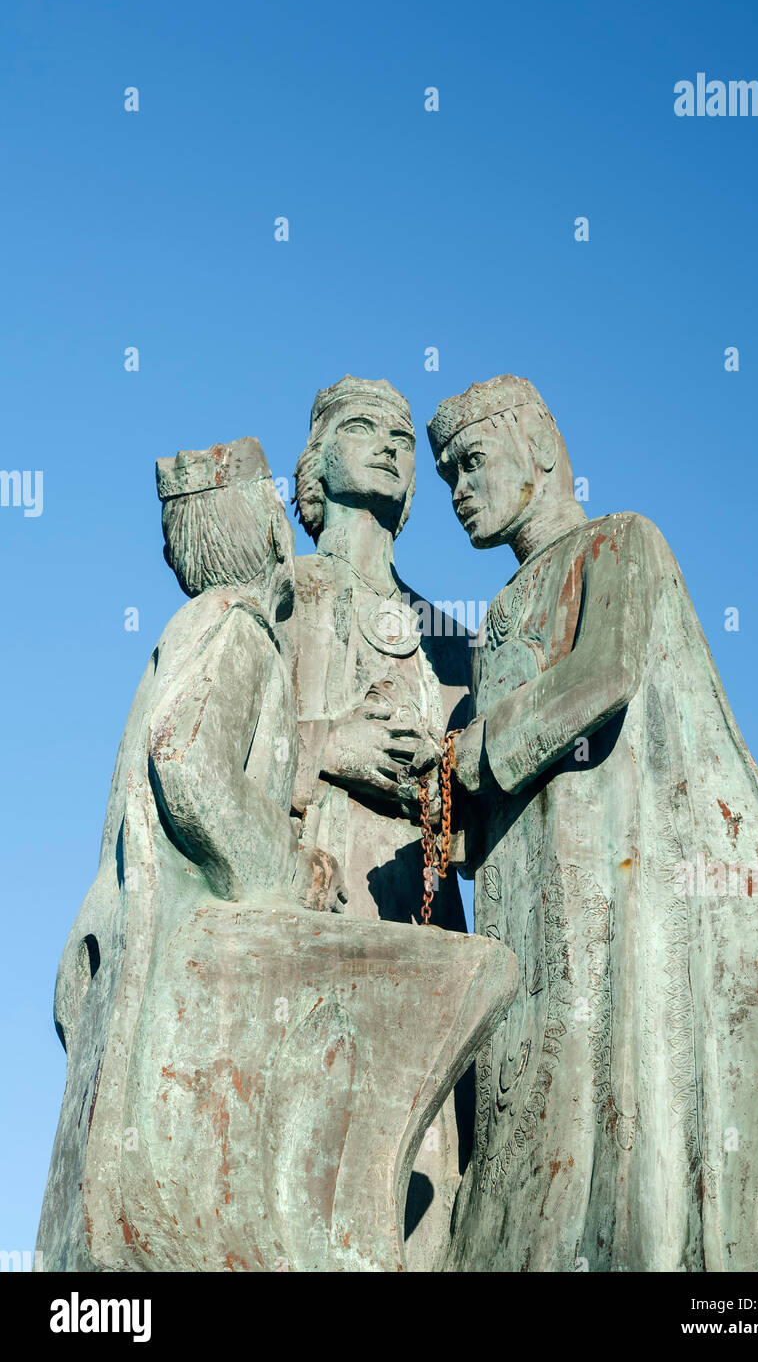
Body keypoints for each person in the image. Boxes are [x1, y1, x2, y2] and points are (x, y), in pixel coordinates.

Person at [428, 375, 758, 1272]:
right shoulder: (503, 613)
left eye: (473, 464)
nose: (459, 494)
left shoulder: (620, 542)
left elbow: (603, 675)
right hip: (530, 915)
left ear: (540, 445)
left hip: (610, 909)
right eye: (446, 481)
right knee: (523, 1138)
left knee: (610, 1132)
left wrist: (474, 754)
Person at [39, 437, 343, 1271]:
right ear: (266, 524)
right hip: (188, 967)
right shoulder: (237, 627)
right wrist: (287, 869)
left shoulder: (181, 630)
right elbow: (187, 762)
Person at [285, 376, 472, 1267]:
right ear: (313, 464)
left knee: (429, 1153)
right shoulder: (280, 594)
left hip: (421, 898)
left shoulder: (448, 633)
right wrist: (330, 742)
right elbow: (213, 750)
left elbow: (479, 800)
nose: (392, 446)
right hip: (313, 888)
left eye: (402, 435)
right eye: (362, 428)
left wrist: (440, 788)